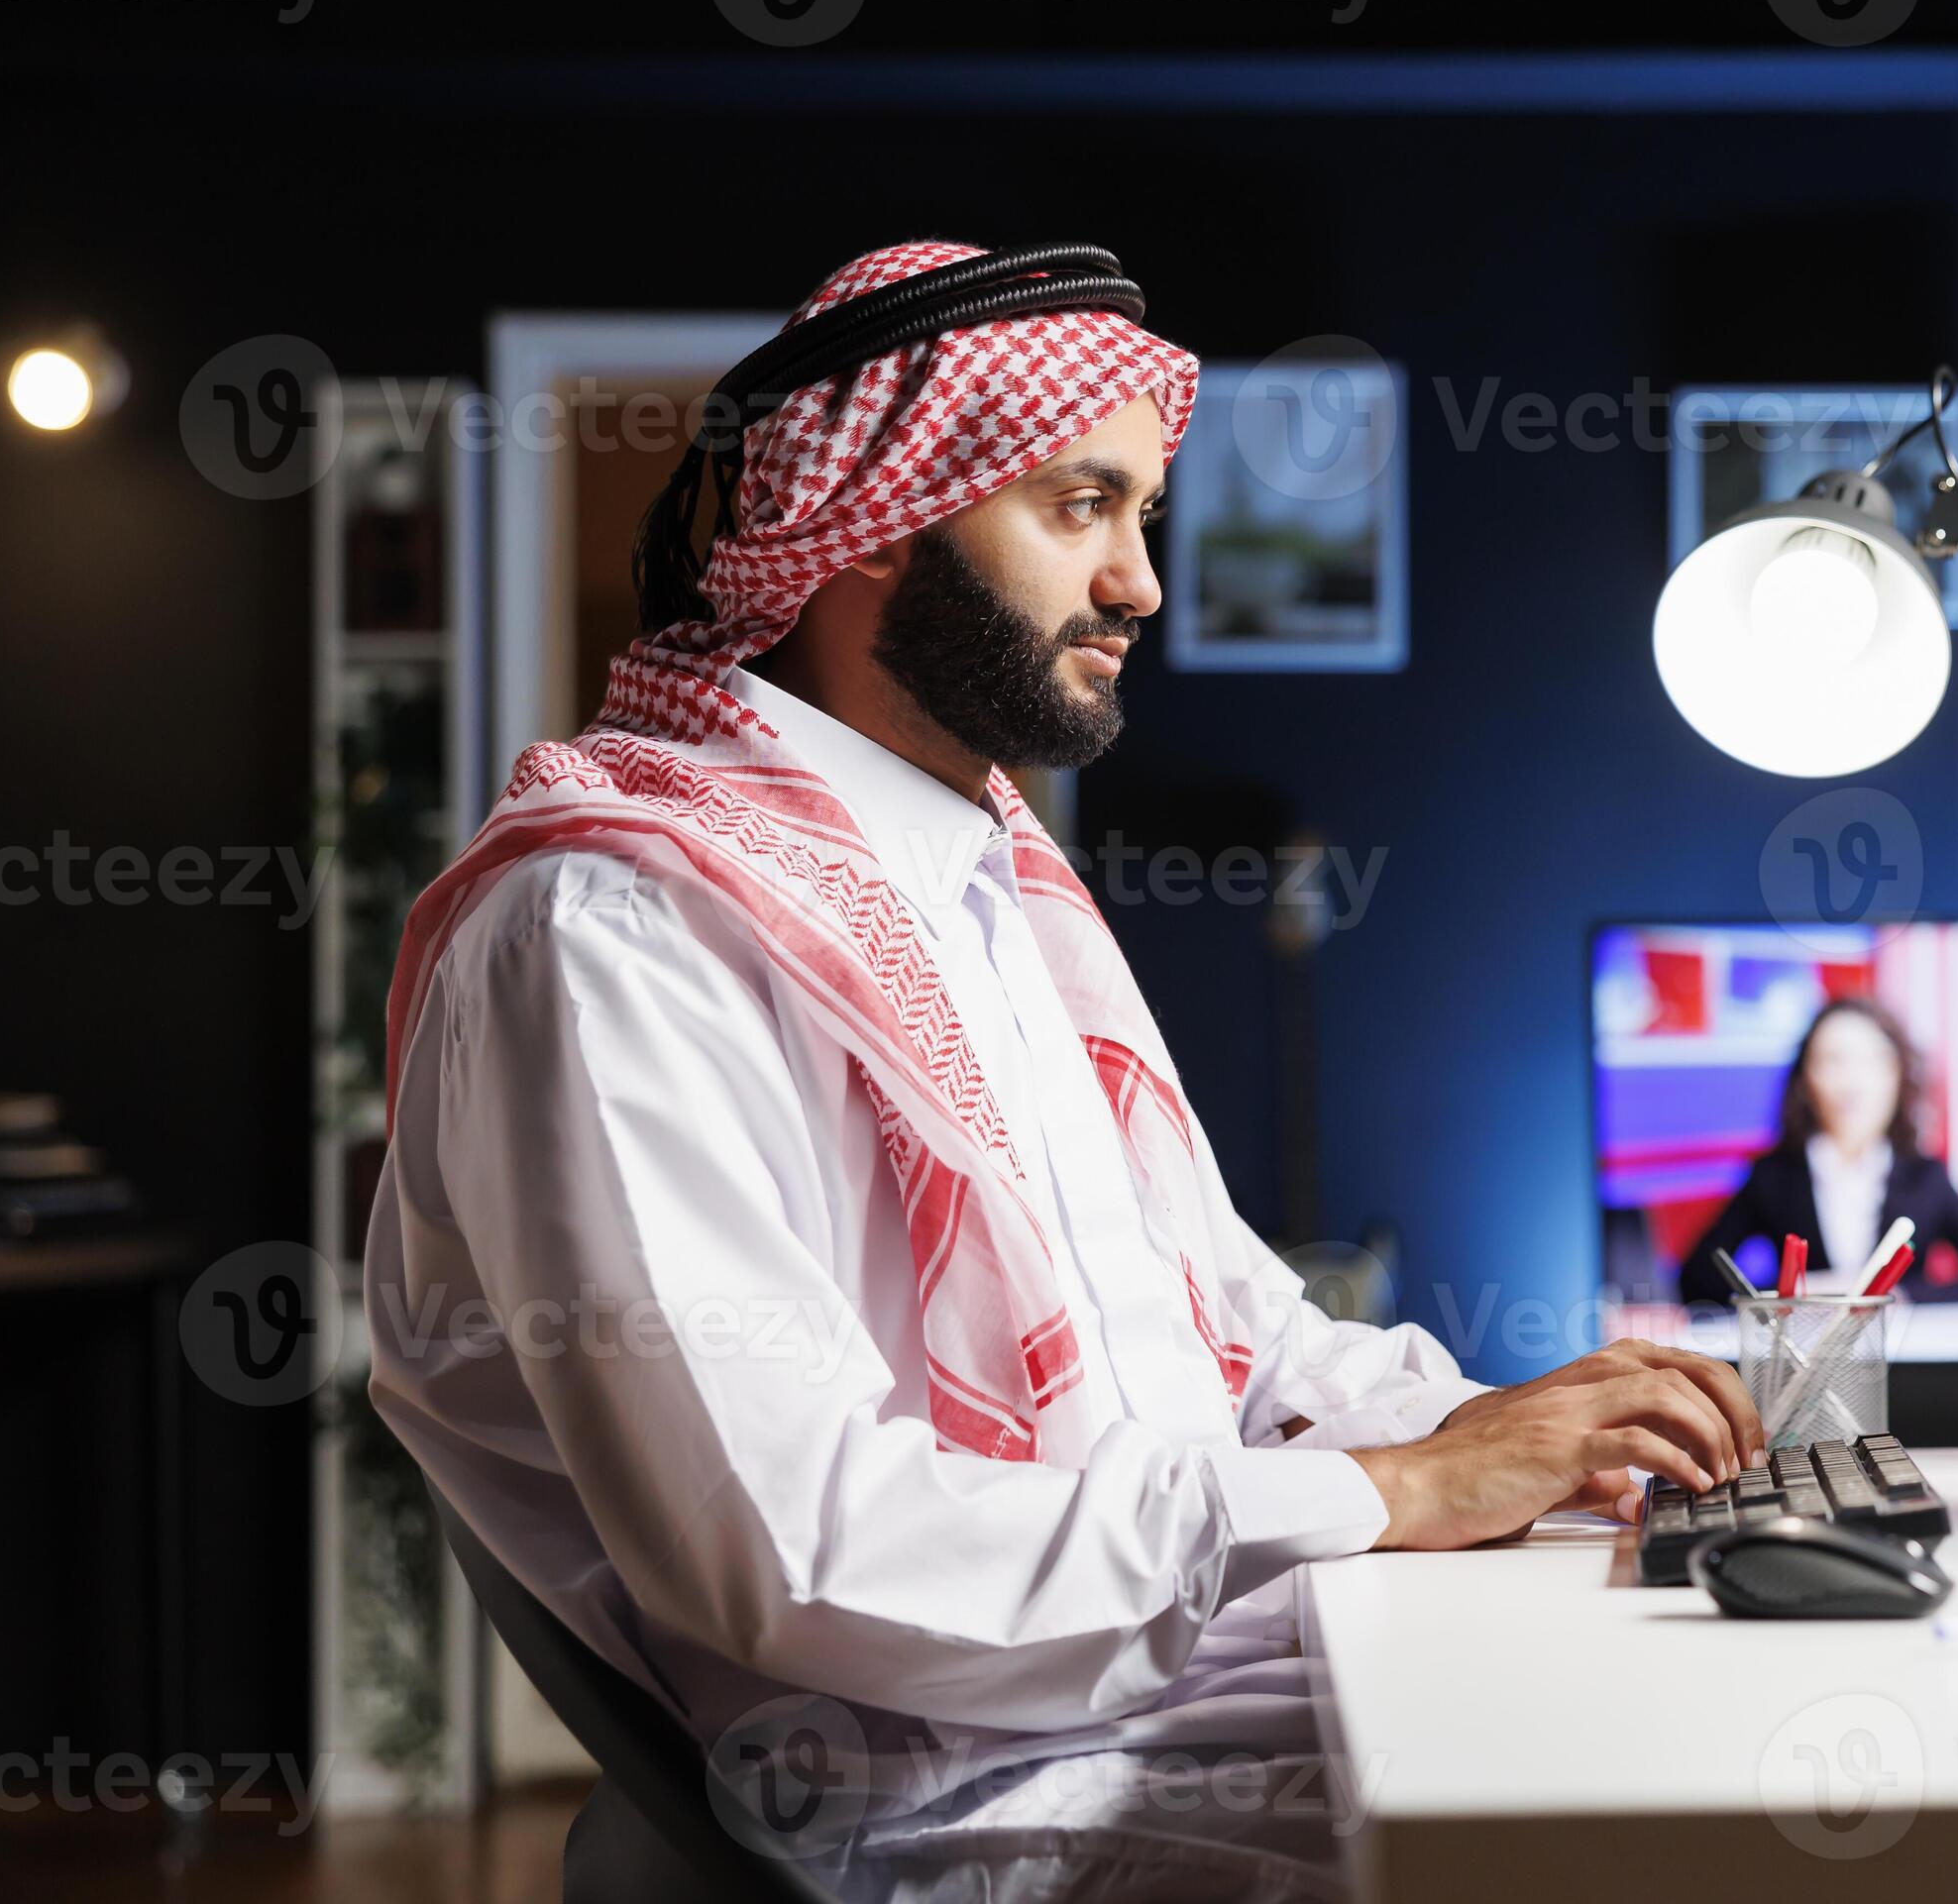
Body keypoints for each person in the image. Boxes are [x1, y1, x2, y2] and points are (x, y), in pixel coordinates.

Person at [365, 241, 1762, 1902]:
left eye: (1143, 516)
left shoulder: (983, 881)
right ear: (876, 517)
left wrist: (1503, 1428)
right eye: (1079, 506)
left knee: (1716, 1724)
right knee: (1683, 1842)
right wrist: (1392, 1493)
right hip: (944, 1794)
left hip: (1148, 1691)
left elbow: (1233, 1339)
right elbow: (797, 1555)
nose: (1141, 585)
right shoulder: (608, 935)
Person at [1676, 997, 1958, 1307]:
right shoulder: (1774, 1177)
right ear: (1805, 1080)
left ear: (1897, 1075)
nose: (1852, 1081)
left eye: (1871, 1060)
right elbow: (1697, 1280)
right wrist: (1795, 1294)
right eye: (1832, 1060)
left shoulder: (1924, 1177)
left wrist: (1901, 1296)